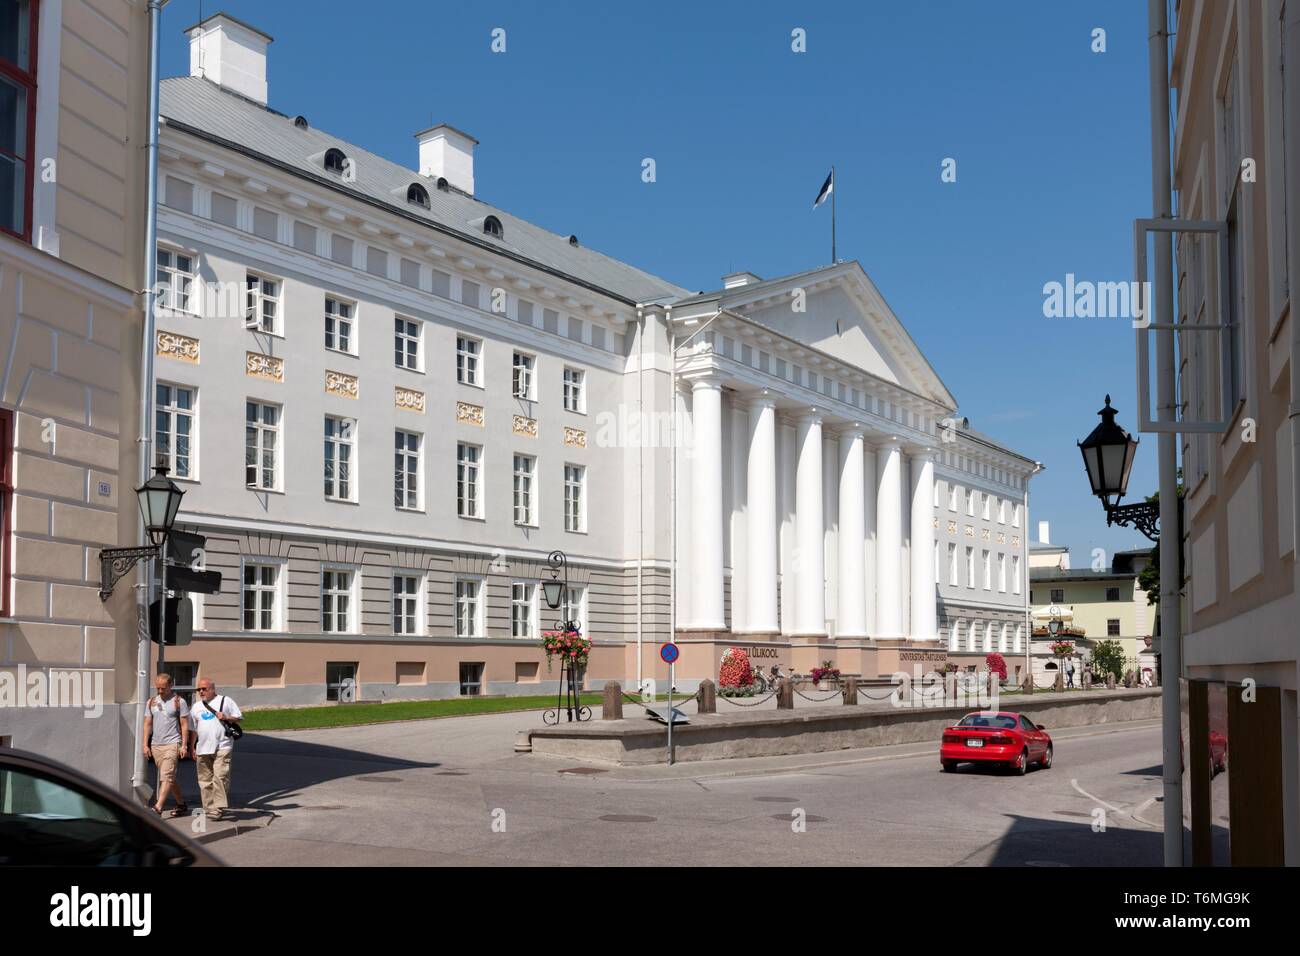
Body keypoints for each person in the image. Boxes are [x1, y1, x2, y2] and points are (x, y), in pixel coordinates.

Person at [190, 678, 243, 822]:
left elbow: (239, 718)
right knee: (205, 780)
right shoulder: (196, 707)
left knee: (220, 777)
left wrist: (226, 717)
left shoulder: (225, 701)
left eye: (204, 689)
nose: (201, 691)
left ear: (213, 689)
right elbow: (194, 729)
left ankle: (218, 808)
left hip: (223, 745)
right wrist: (192, 746)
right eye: (199, 689)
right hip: (202, 747)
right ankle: (209, 808)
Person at [142, 673, 190, 817]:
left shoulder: (178, 701)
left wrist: (184, 745)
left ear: (170, 685)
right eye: (158, 688)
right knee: (170, 778)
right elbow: (147, 724)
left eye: (163, 688)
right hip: (156, 745)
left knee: (166, 776)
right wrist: (145, 744)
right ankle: (181, 804)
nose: (160, 691)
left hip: (172, 743)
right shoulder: (151, 702)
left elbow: (184, 724)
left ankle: (158, 808)